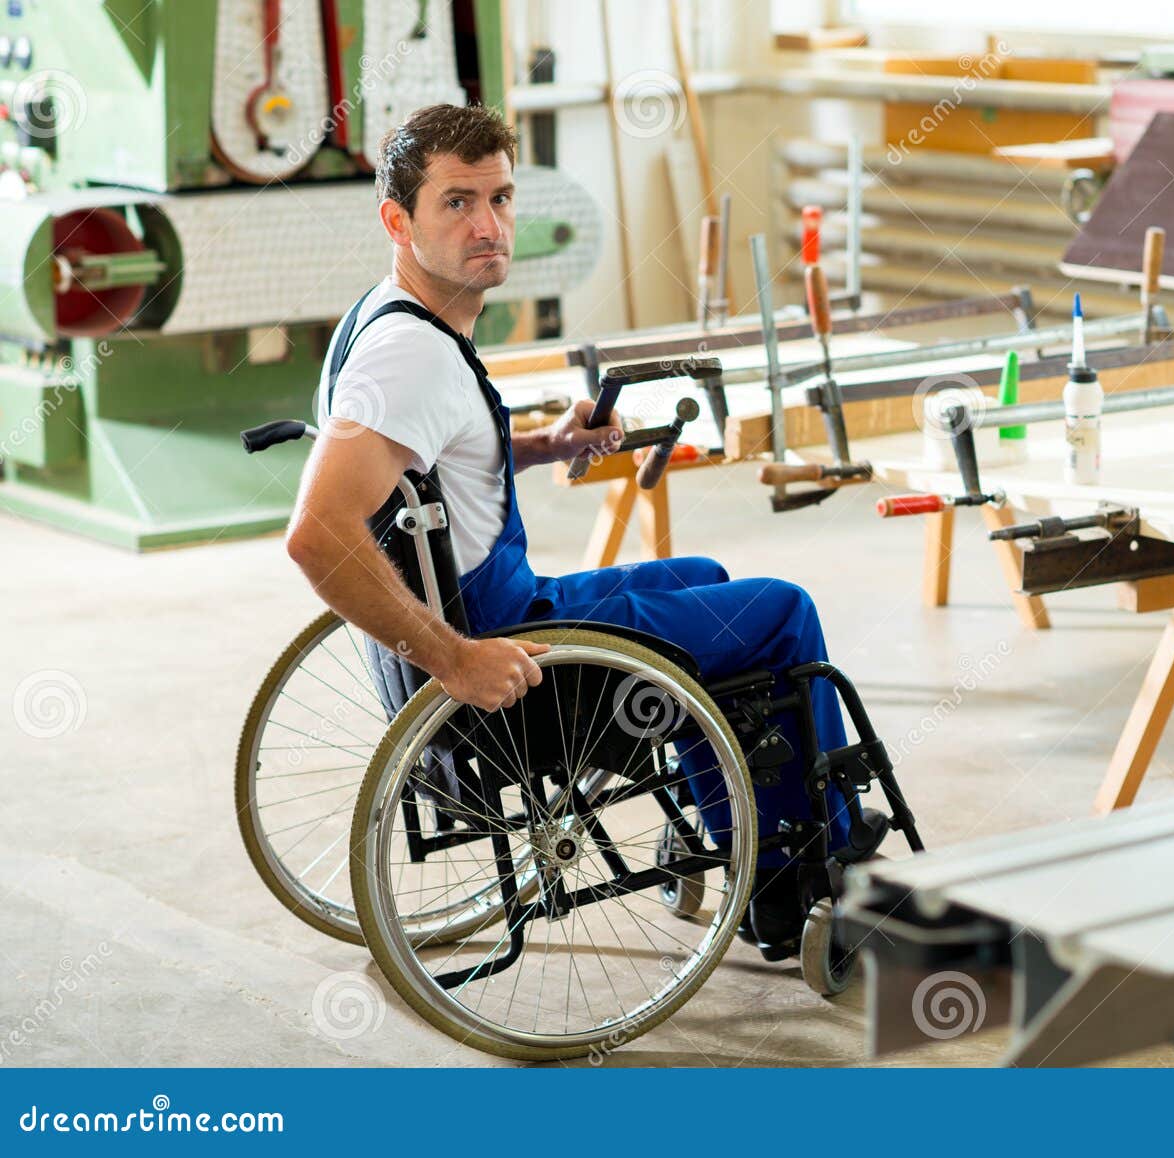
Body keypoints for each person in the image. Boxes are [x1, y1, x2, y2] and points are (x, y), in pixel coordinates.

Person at [285, 102, 872, 956]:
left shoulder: (393, 317)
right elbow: (317, 534)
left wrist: (540, 444)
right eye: (457, 203)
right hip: (508, 654)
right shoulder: (407, 355)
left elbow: (424, 466)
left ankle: (730, 826)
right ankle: (801, 879)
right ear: (397, 219)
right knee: (782, 612)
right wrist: (453, 658)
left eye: (501, 198)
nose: (489, 225)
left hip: (491, 606)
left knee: (701, 574)